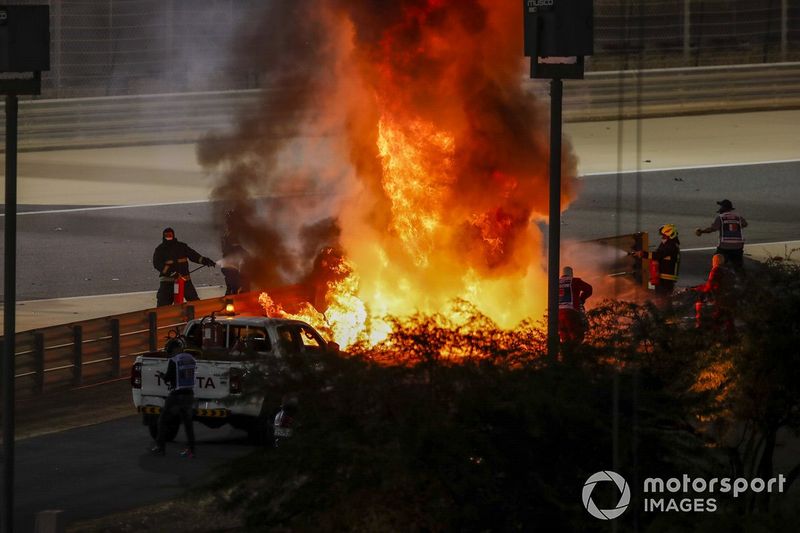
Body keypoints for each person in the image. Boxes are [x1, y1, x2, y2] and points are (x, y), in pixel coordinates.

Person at [151, 339, 197, 458]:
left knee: (162, 420)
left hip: (176, 395)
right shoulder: (191, 358)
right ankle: (191, 451)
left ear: (174, 349)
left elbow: (169, 378)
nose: (169, 354)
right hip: (189, 394)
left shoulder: (174, 360)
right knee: (188, 425)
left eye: (170, 351)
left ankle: (160, 447)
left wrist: (162, 376)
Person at [152, 227, 216, 306]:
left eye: (170, 235)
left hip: (184, 280)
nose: (168, 236)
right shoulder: (160, 249)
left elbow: (194, 256)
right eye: (166, 235)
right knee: (163, 305)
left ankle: (199, 316)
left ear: (173, 235)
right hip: (167, 283)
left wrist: (205, 261)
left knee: (194, 302)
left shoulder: (182, 246)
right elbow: (157, 264)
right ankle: (162, 317)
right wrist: (171, 272)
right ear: (163, 236)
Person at [695, 199, 748, 271]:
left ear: (724, 208)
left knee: (716, 260)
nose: (720, 208)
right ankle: (741, 277)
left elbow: (712, 229)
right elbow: (745, 224)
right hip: (738, 246)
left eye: (721, 206)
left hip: (724, 246)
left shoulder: (721, 217)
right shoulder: (738, 217)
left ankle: (716, 274)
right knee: (738, 266)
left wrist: (701, 231)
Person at [634, 224, 680, 302]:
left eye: (664, 236)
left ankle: (665, 312)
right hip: (662, 276)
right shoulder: (667, 244)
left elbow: (658, 255)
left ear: (671, 235)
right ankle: (663, 311)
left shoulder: (672, 246)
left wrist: (644, 254)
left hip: (666, 278)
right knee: (660, 298)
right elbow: (658, 253)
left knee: (663, 299)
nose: (662, 237)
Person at [693, 254, 735, 336]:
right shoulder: (728, 270)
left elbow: (709, 286)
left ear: (716, 261)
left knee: (714, 317)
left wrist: (697, 289)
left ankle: (712, 334)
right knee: (728, 318)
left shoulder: (716, 270)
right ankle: (731, 335)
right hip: (729, 298)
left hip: (719, 299)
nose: (712, 262)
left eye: (713, 260)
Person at [558, 266, 593, 344]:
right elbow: (589, 289)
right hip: (572, 313)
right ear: (571, 274)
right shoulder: (575, 281)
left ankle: (566, 354)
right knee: (577, 337)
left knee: (564, 339)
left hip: (558, 315)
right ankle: (576, 354)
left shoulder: (556, 283)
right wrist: (581, 299)